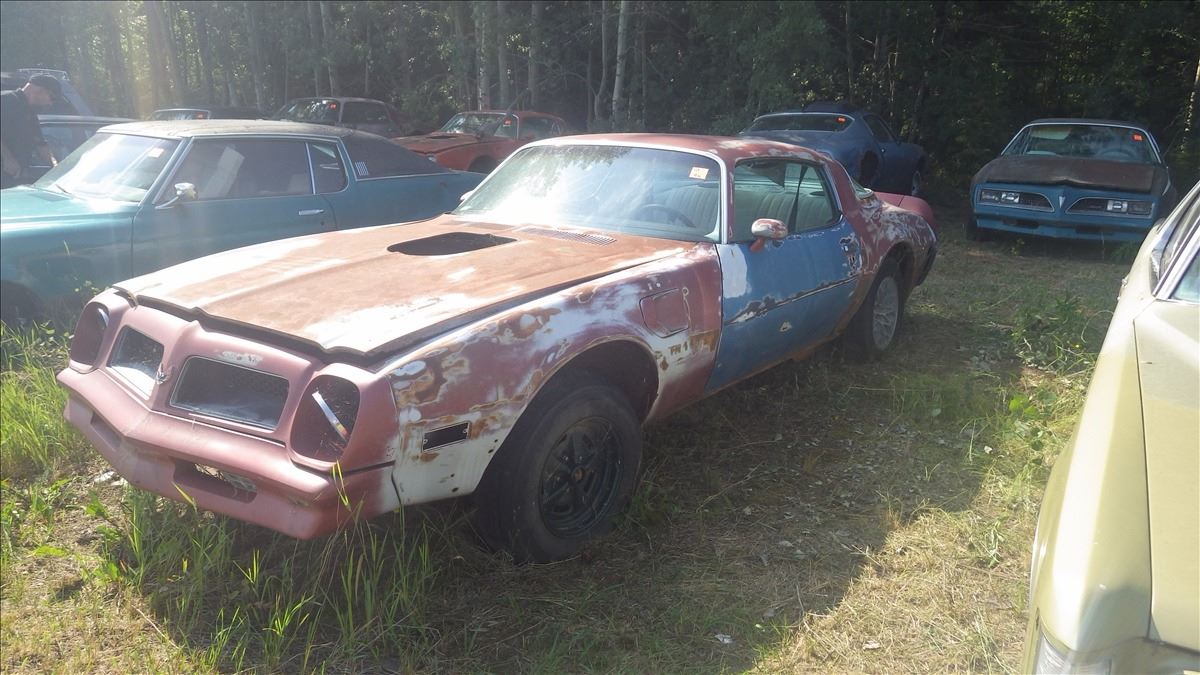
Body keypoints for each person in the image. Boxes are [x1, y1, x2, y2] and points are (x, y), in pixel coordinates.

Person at [1, 73, 60, 188]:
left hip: (14, 176)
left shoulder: (29, 111)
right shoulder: (5, 101)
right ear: (39, 90)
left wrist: (57, 167)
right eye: (51, 97)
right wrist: (7, 157)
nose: (50, 103)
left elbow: (40, 143)